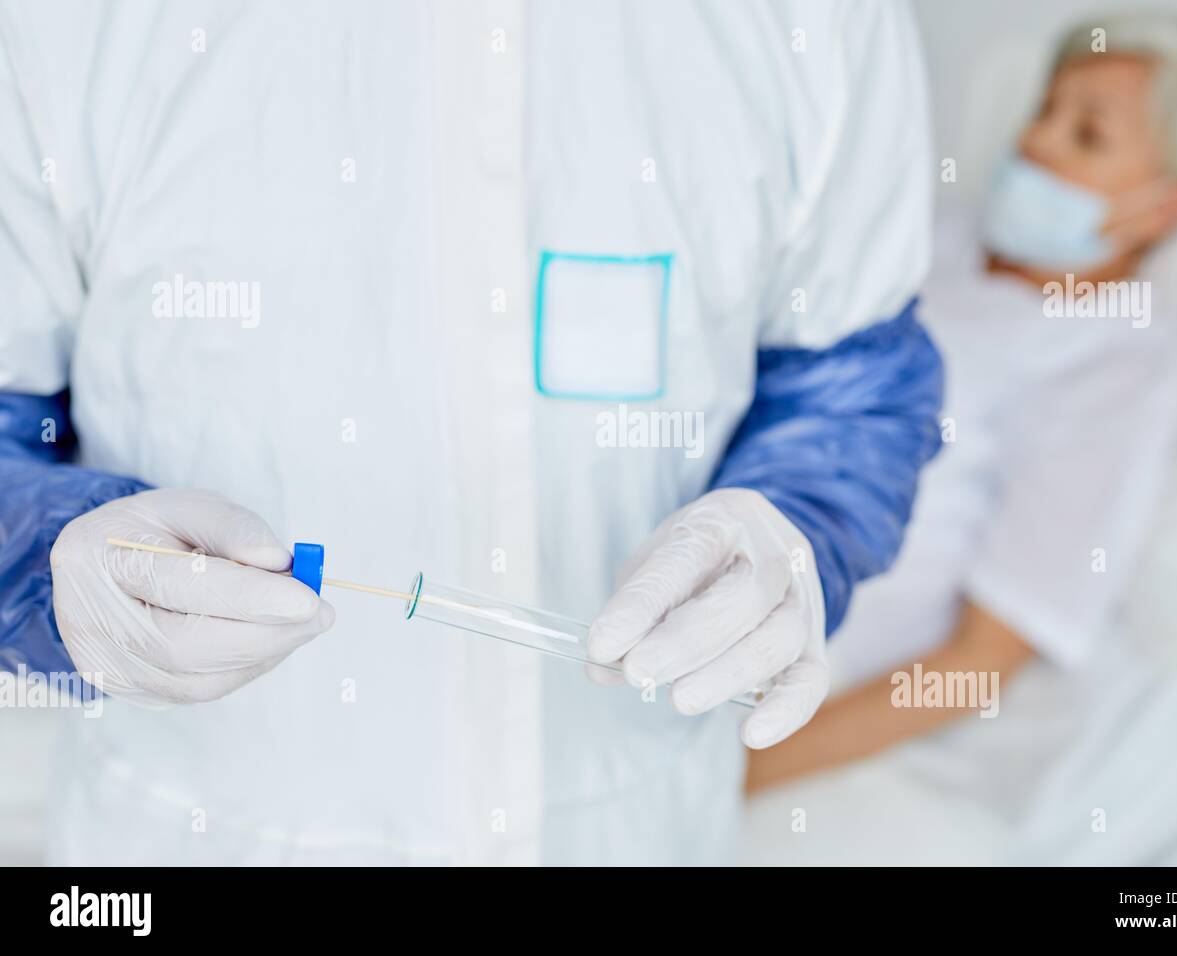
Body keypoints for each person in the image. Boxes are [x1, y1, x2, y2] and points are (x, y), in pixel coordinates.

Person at [0, 1, 940, 864]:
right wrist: (56, 565)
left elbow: (853, 387)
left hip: (636, 826)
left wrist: (791, 524)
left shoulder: (815, 22)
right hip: (190, 832)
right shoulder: (66, 27)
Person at [744, 11, 1177, 863]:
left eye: (1086, 133)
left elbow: (977, 664)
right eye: (1045, 109)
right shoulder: (937, 239)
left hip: (773, 664)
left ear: (1165, 207)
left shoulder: (1115, 370)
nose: (1035, 141)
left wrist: (736, 771)